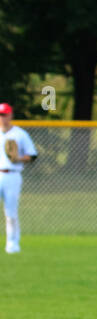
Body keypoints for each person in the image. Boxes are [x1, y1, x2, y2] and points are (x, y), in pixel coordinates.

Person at [0, 103, 38, 255]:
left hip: (12, 175)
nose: (2, 118)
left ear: (11, 115)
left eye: (4, 114)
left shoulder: (20, 134)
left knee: (11, 212)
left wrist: (19, 159)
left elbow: (32, 155)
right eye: (0, 115)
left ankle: (12, 244)